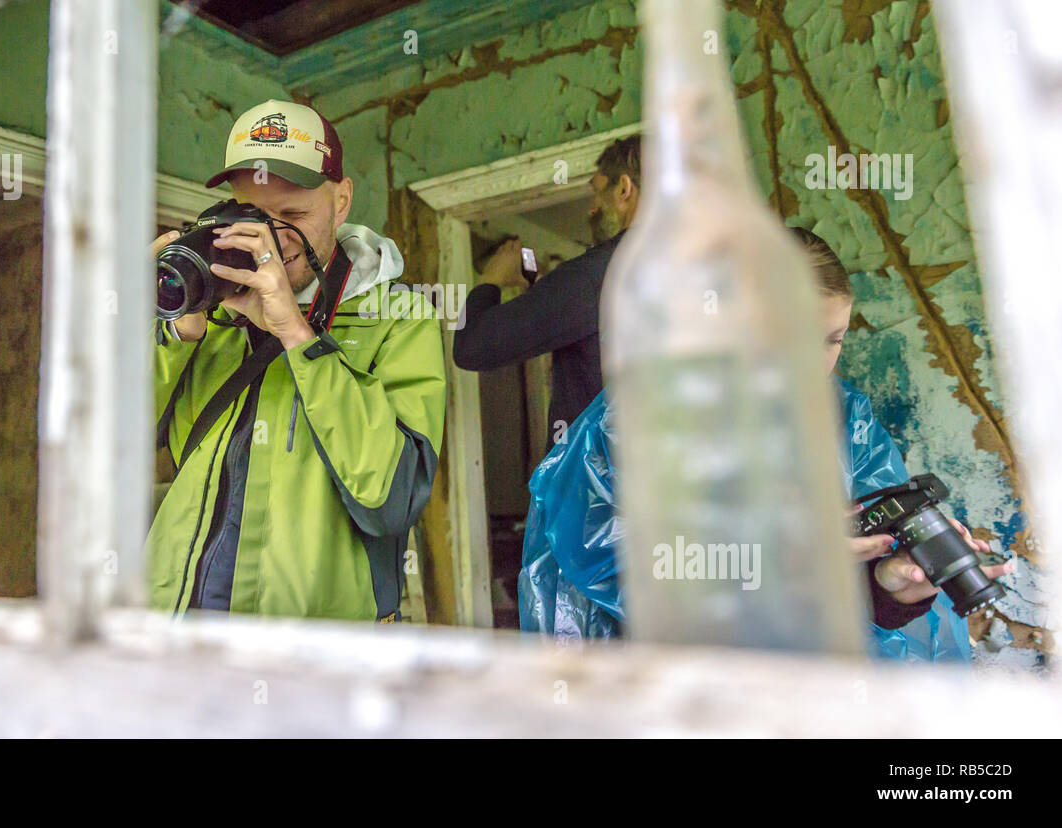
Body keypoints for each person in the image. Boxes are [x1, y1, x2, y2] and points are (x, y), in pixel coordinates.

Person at [520, 226, 1014, 657]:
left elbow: (860, 601)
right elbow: (608, 566)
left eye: (830, 340)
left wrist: (893, 587)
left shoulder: (847, 421)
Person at [147, 99, 446, 622]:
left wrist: (297, 335)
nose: (271, 238)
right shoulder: (215, 315)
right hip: (175, 633)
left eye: (293, 215)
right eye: (254, 215)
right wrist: (175, 333)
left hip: (311, 653)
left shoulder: (400, 315)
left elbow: (393, 498)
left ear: (342, 200)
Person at [452, 135, 641, 451]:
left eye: (597, 192)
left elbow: (472, 346)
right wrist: (549, 296)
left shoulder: (599, 273)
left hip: (599, 496)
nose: (591, 208)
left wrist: (491, 280)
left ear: (624, 188)